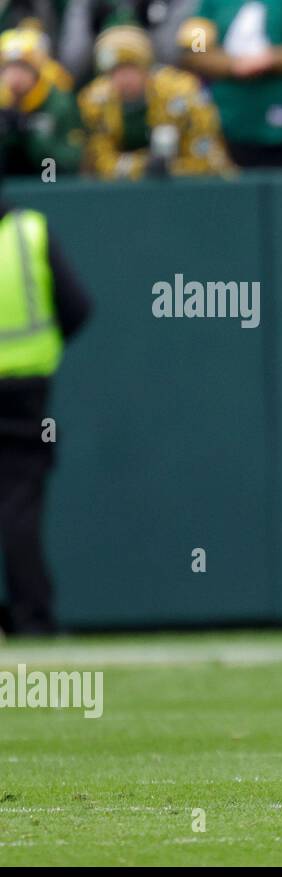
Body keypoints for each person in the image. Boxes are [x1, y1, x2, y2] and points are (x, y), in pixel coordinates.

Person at [0, 199, 93, 635]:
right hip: (25, 392)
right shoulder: (28, 231)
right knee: (19, 504)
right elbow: (77, 307)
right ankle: (32, 616)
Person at [176, 0, 282, 168]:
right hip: (228, 119)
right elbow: (194, 51)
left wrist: (272, 59)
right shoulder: (213, 3)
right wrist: (232, 65)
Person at [78, 24, 231, 179]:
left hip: (190, 190)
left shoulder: (182, 95)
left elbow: (205, 161)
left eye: (130, 68)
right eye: (115, 71)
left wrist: (168, 170)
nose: (123, 79)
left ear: (146, 67)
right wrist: (143, 166)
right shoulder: (95, 102)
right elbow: (101, 164)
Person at [0, 27, 84, 177]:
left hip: (47, 183)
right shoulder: (3, 102)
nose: (15, 76)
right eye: (9, 68)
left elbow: (70, 161)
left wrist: (35, 135)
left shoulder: (59, 102)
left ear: (37, 71)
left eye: (23, 68)